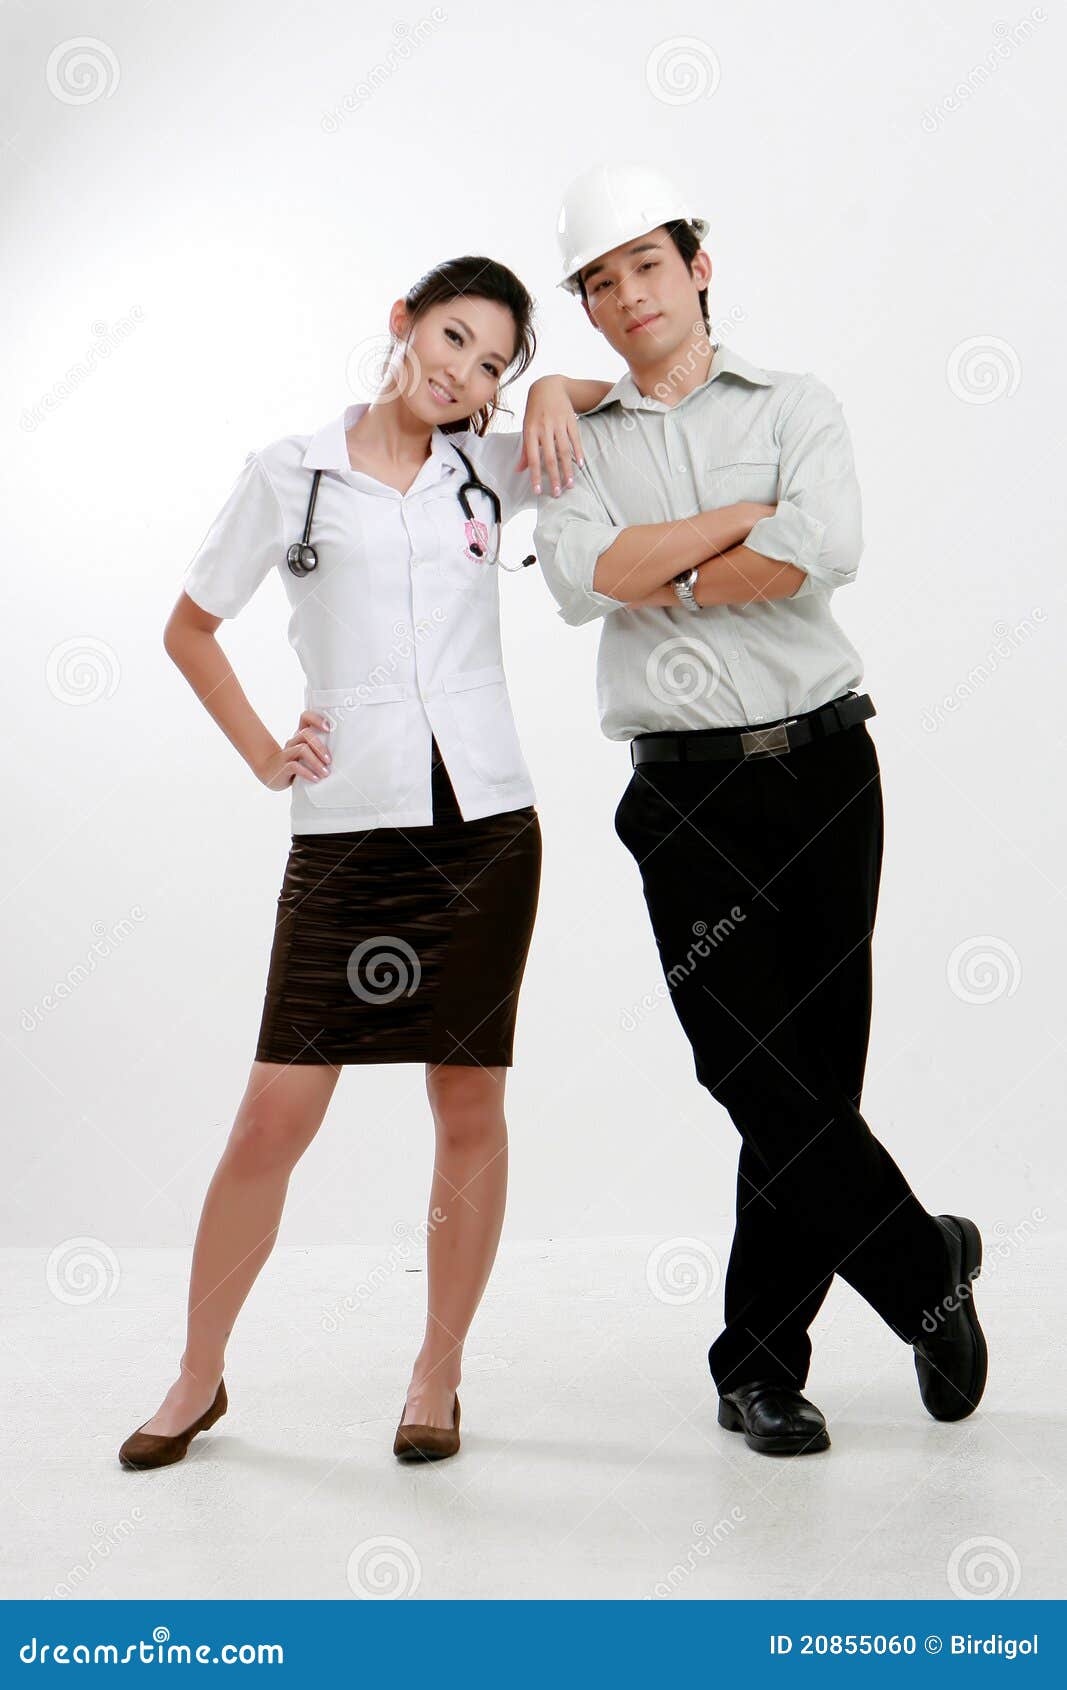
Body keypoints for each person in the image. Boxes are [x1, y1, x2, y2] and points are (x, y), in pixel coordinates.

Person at [118, 255, 611, 1470]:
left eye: (494, 363)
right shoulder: (290, 472)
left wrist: (553, 397)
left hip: (485, 826)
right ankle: (196, 1374)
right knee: (273, 1113)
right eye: (451, 338)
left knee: (468, 1101)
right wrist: (262, 750)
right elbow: (190, 625)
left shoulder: (488, 468)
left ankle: (436, 1371)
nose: (463, 372)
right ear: (401, 322)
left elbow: (632, 397)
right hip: (346, 831)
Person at [534, 163, 988, 1457]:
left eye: (647, 266)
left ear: (696, 266)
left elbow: (821, 545)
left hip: (824, 768)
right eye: (599, 281)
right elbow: (582, 576)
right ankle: (922, 1267)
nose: (626, 296)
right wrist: (735, 522)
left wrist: (662, 566)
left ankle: (755, 1367)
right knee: (750, 1068)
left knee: (808, 1083)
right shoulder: (572, 437)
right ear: (586, 305)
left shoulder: (799, 401)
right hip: (680, 792)